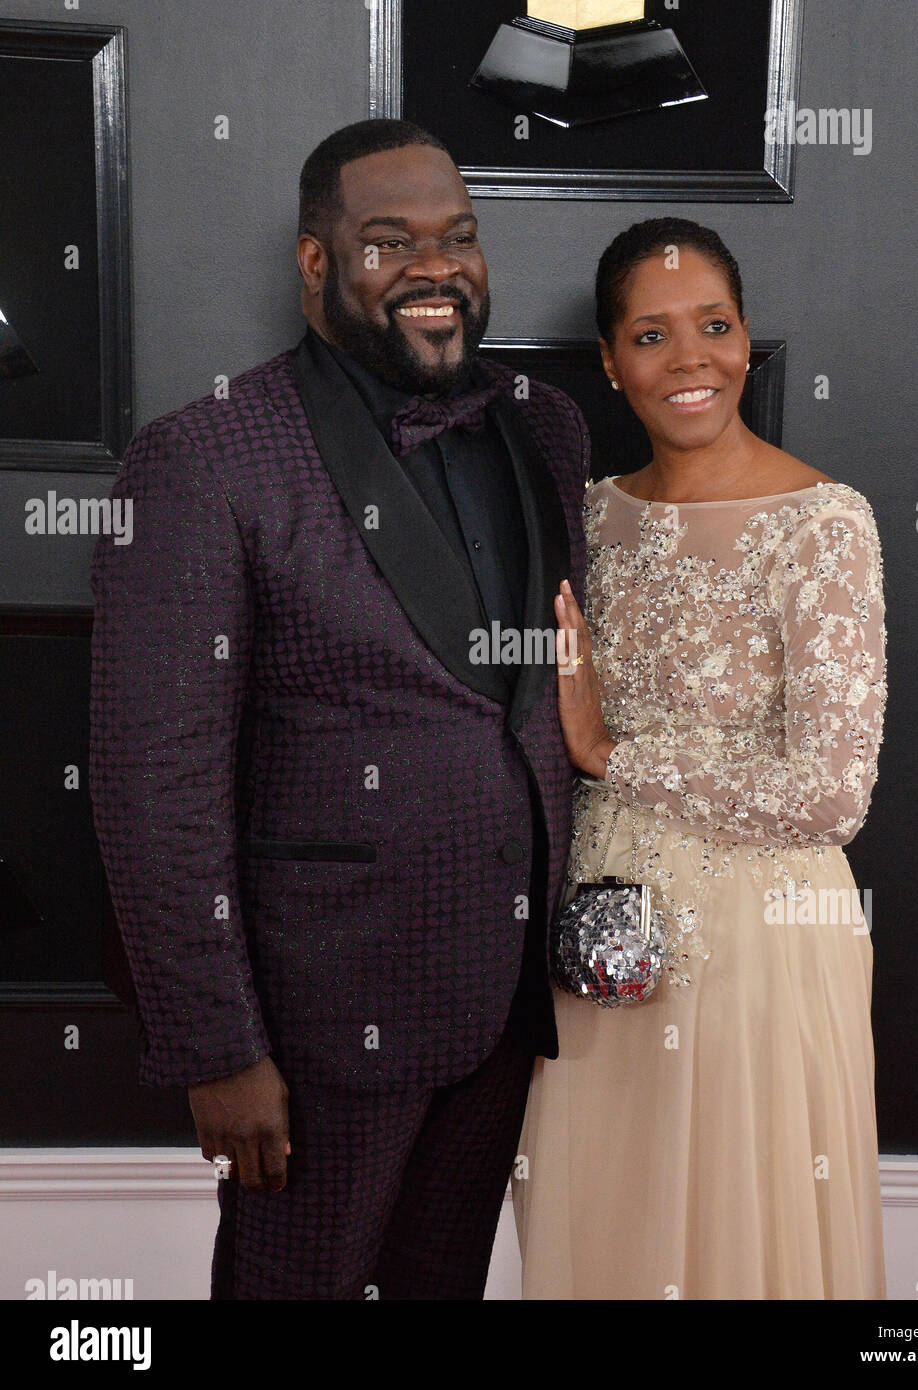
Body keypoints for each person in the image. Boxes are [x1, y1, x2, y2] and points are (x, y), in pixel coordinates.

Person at [89, 118, 589, 1300]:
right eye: (389, 240)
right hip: (317, 1025)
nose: (435, 266)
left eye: (458, 235)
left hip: (503, 1002)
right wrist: (216, 1045)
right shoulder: (204, 456)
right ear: (316, 261)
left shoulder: (547, 426)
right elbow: (152, 780)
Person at [516, 217, 888, 1299]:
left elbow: (831, 796)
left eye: (714, 326)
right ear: (608, 361)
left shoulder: (823, 523)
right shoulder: (588, 518)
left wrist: (610, 753)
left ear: (745, 338)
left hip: (762, 939)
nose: (691, 359)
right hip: (597, 937)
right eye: (651, 335)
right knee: (609, 1225)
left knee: (738, 1230)